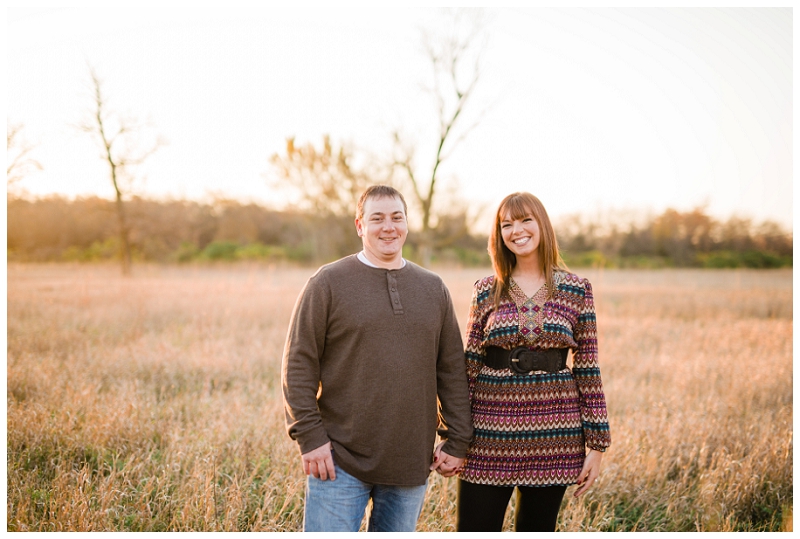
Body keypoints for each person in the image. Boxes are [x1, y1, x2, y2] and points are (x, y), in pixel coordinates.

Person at [281, 185, 473, 532]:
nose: (389, 227)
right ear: (360, 225)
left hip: (410, 463)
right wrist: (310, 437)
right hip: (337, 460)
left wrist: (457, 438)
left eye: (397, 217)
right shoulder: (328, 282)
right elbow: (298, 364)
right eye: (377, 218)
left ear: (407, 223)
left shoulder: (433, 288)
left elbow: (452, 371)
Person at [442, 192, 611, 532]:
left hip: (555, 436)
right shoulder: (487, 290)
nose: (516, 230)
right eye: (506, 224)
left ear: (542, 225)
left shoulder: (577, 289)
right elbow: (468, 367)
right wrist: (453, 436)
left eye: (525, 220)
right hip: (488, 435)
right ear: (499, 234)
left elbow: (588, 367)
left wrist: (597, 446)